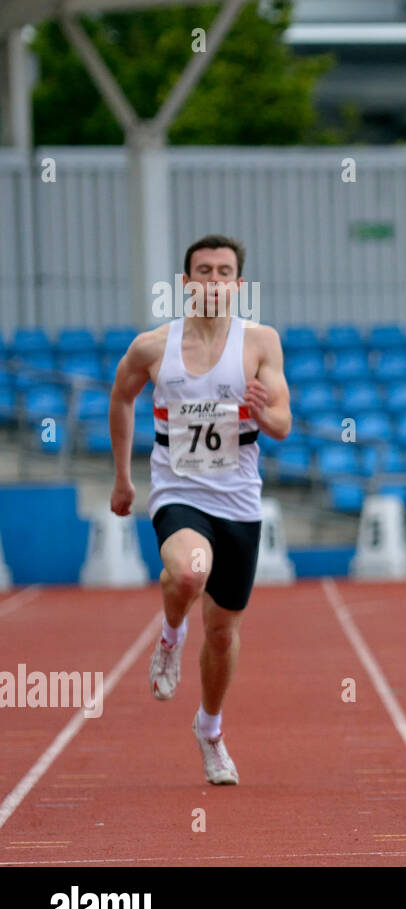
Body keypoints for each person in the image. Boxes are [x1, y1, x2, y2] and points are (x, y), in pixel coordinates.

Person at [109, 234, 291, 785]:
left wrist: (263, 413)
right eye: (203, 271)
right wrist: (122, 476)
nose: (213, 281)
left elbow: (283, 425)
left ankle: (209, 730)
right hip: (178, 492)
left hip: (238, 502)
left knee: (221, 633)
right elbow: (121, 396)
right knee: (190, 572)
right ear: (186, 284)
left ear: (238, 284)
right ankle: (169, 637)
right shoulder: (153, 347)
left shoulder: (260, 344)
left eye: (224, 272)